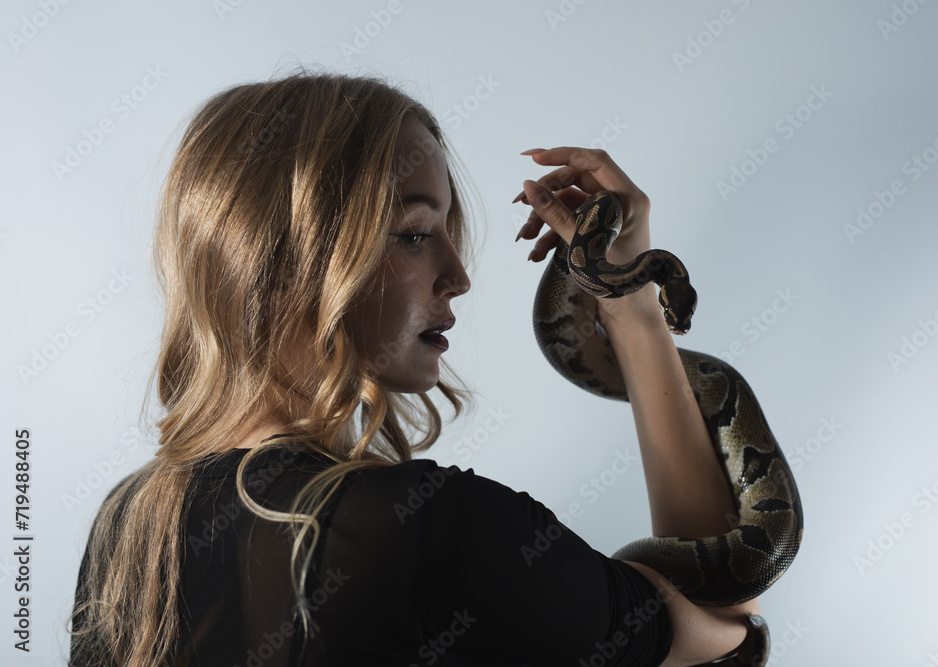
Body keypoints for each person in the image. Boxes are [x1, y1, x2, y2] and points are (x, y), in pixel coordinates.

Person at [68, 69, 760, 667]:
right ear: (291, 261)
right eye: (416, 234)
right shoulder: (425, 526)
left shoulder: (128, 527)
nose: (458, 275)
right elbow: (721, 610)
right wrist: (631, 303)